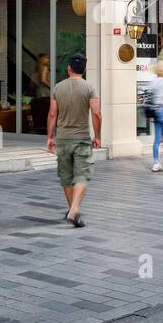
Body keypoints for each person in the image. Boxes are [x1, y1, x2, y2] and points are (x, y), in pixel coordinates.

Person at [47, 53, 101, 228]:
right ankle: (74, 210)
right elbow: (96, 114)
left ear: (68, 68)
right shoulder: (89, 88)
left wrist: (49, 137)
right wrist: (98, 136)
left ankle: (72, 210)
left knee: (67, 177)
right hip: (81, 139)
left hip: (62, 139)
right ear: (84, 69)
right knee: (81, 176)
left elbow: (53, 114)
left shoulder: (57, 88)